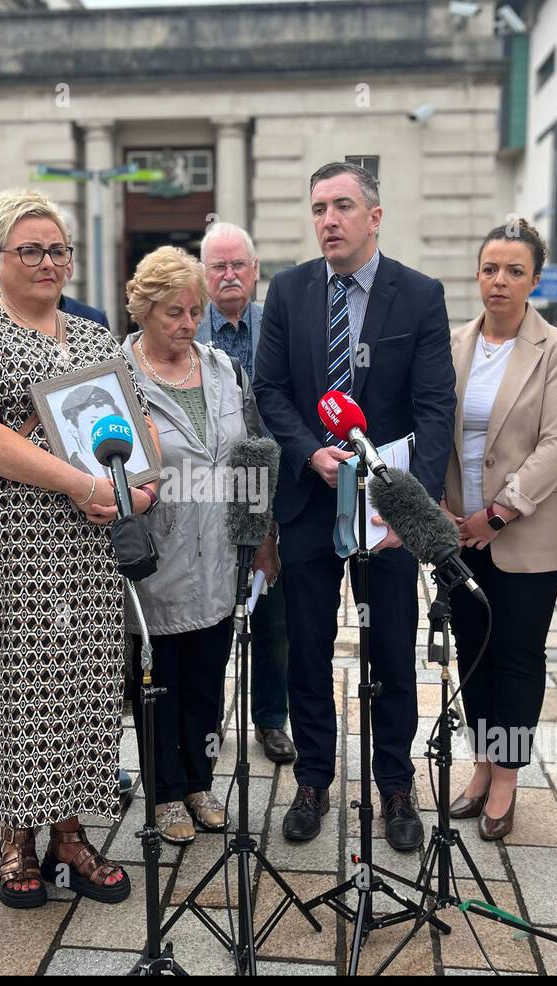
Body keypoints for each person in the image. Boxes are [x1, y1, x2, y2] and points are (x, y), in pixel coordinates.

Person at [0, 188, 160, 909]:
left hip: (90, 558)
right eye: (29, 249)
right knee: (19, 690)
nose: (47, 261)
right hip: (17, 550)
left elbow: (140, 426)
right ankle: (16, 835)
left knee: (86, 689)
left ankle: (70, 831)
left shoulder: (94, 337)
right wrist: (85, 484)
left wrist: (141, 486)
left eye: (57, 248)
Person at [253, 161, 456, 852]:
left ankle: (395, 785)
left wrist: (410, 504)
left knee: (392, 651)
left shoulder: (420, 295)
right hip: (311, 502)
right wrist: (311, 450)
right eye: (318, 208)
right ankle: (312, 779)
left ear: (374, 216)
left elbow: (435, 407)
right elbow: (270, 389)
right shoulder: (287, 291)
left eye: (342, 206)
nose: (328, 220)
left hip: (386, 510)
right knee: (306, 649)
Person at [120, 245, 274, 844]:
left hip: (219, 555)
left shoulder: (223, 369)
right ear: (143, 311)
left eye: (194, 311)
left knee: (209, 675)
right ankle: (162, 794)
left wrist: (260, 540)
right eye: (173, 314)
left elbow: (252, 454)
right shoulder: (119, 377)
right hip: (156, 556)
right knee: (159, 682)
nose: (187, 325)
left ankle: (199, 783)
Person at [442, 220, 557, 841]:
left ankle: (506, 776)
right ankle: (479, 767)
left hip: (525, 533)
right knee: (472, 655)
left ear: (534, 279)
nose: (500, 281)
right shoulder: (451, 345)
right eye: (490, 268)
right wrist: (440, 510)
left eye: (515, 271)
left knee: (518, 656)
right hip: (457, 532)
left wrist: (499, 512)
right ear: (478, 274)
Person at [196, 221, 295, 766]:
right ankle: (206, 723)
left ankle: (271, 720)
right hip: (207, 495)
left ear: (255, 272)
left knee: (273, 616)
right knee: (209, 615)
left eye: (239, 265)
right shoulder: (188, 329)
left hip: (273, 490)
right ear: (204, 274)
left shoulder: (276, 327)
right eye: (218, 266)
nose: (230, 275)